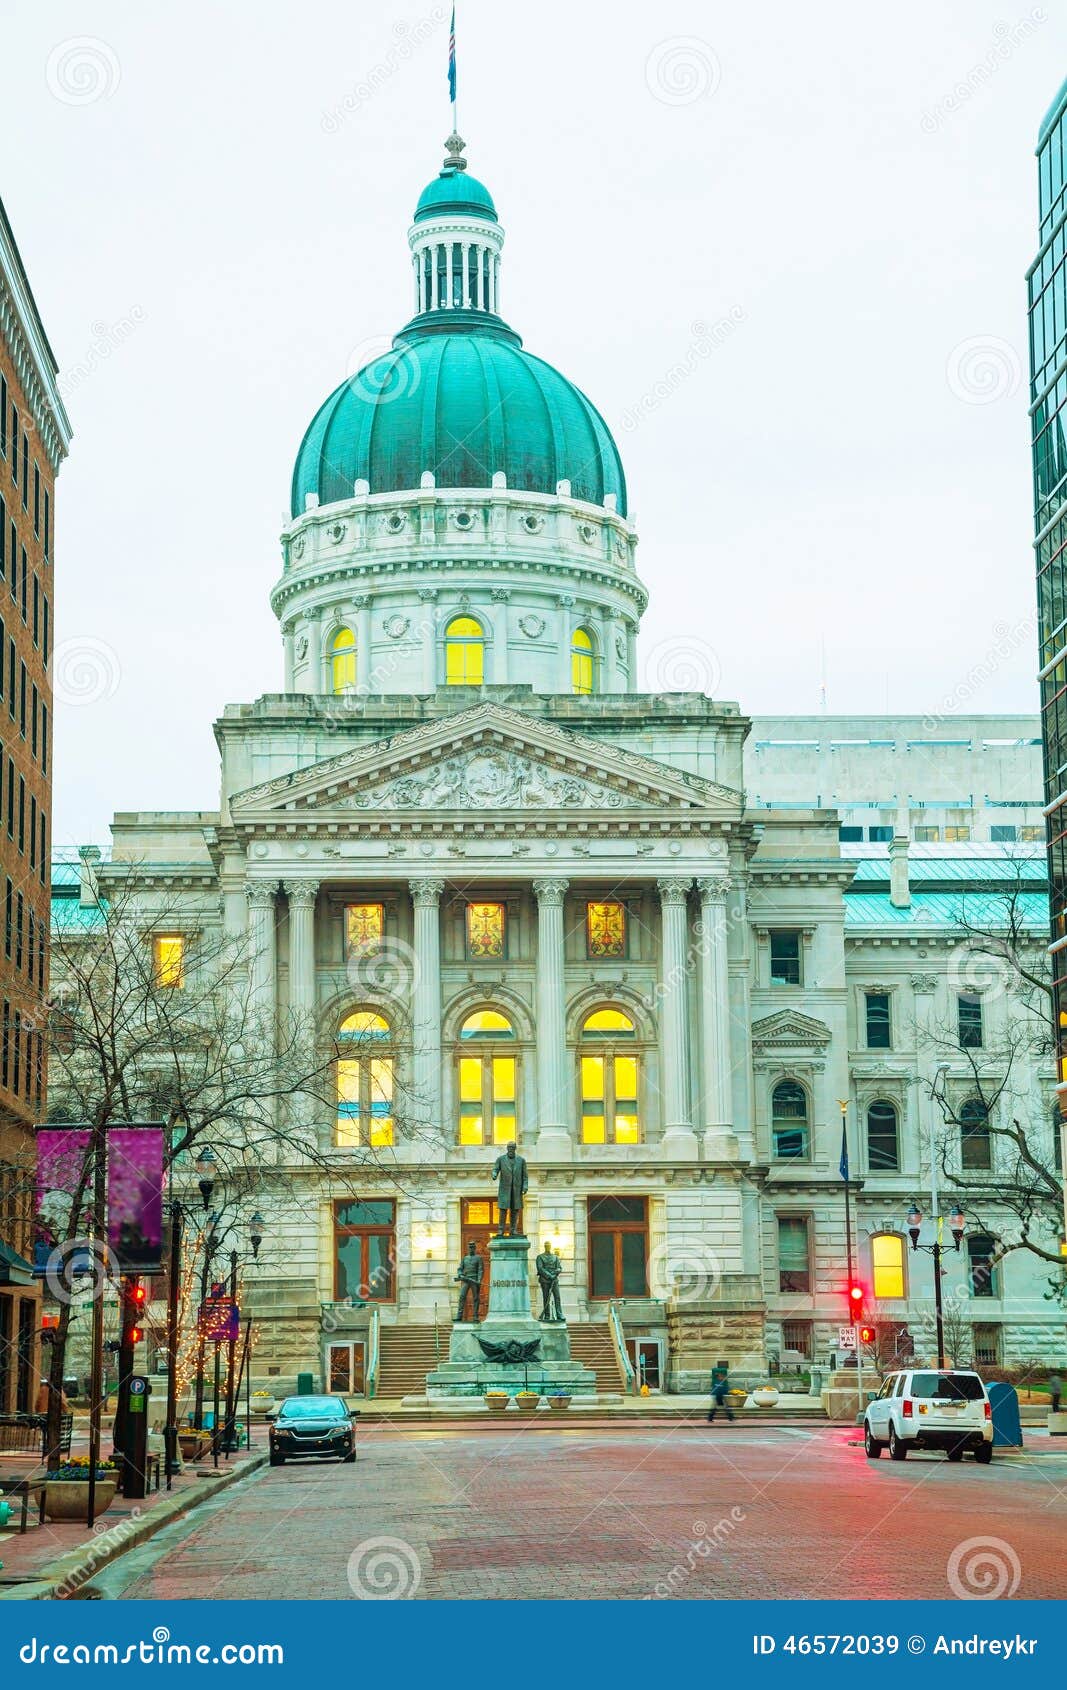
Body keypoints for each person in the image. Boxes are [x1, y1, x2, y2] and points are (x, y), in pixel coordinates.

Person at [490, 1141, 528, 1237]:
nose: (511, 1149)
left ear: (515, 1148)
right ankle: (501, 1229)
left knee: (515, 1210)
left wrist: (525, 1186)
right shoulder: (501, 1159)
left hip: (516, 1189)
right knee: (503, 1210)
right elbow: (495, 1169)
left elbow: (525, 1175)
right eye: (509, 1147)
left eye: (513, 1147)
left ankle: (513, 1229)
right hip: (505, 1189)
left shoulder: (521, 1160)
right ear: (507, 1148)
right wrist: (494, 1174)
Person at [454, 1241, 483, 1323]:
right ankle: (459, 1316)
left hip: (474, 1280)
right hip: (466, 1279)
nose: (471, 1249)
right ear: (468, 1248)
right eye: (470, 1247)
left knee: (476, 1298)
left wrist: (479, 1280)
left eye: (472, 1247)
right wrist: (460, 1274)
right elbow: (460, 1269)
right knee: (462, 1296)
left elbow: (480, 1270)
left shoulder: (478, 1258)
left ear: (475, 1248)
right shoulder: (465, 1258)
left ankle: (475, 1316)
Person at [536, 1242, 563, 1322]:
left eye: (549, 1246)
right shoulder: (540, 1257)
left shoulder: (555, 1257)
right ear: (544, 1247)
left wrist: (556, 1272)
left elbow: (559, 1267)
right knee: (546, 1298)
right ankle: (547, 1315)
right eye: (546, 1246)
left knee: (557, 1297)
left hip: (554, 1280)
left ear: (550, 1247)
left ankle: (559, 1314)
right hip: (545, 1280)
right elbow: (540, 1268)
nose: (548, 1247)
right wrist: (549, 1275)